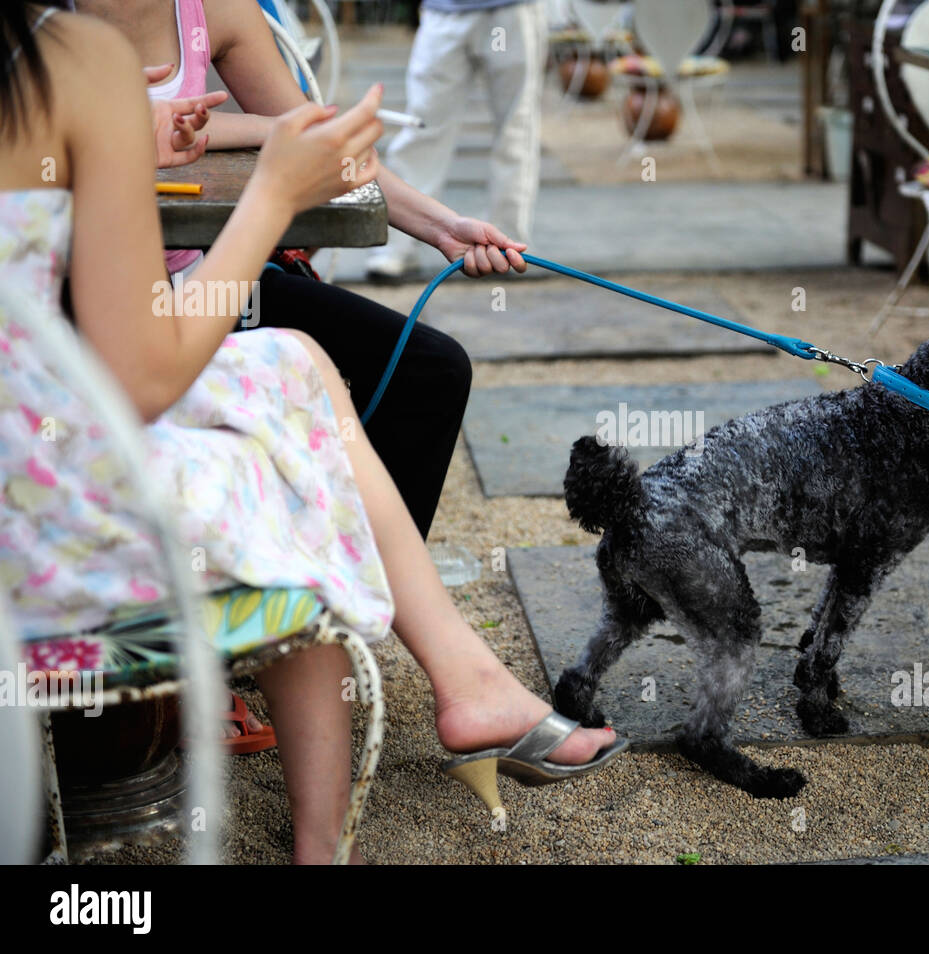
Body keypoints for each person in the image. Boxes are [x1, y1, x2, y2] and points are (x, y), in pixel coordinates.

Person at [0, 1, 622, 864]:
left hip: (92, 356)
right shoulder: (71, 58)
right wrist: (271, 194)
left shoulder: (87, 51)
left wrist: (437, 223)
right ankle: (329, 751)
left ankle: (443, 683)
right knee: (293, 451)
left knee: (316, 366)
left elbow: (312, 133)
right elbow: (141, 372)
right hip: (56, 481)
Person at [366, 0, 549, 278]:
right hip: (443, 11)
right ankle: (396, 247)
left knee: (516, 130)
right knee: (422, 128)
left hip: (513, 9)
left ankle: (508, 245)